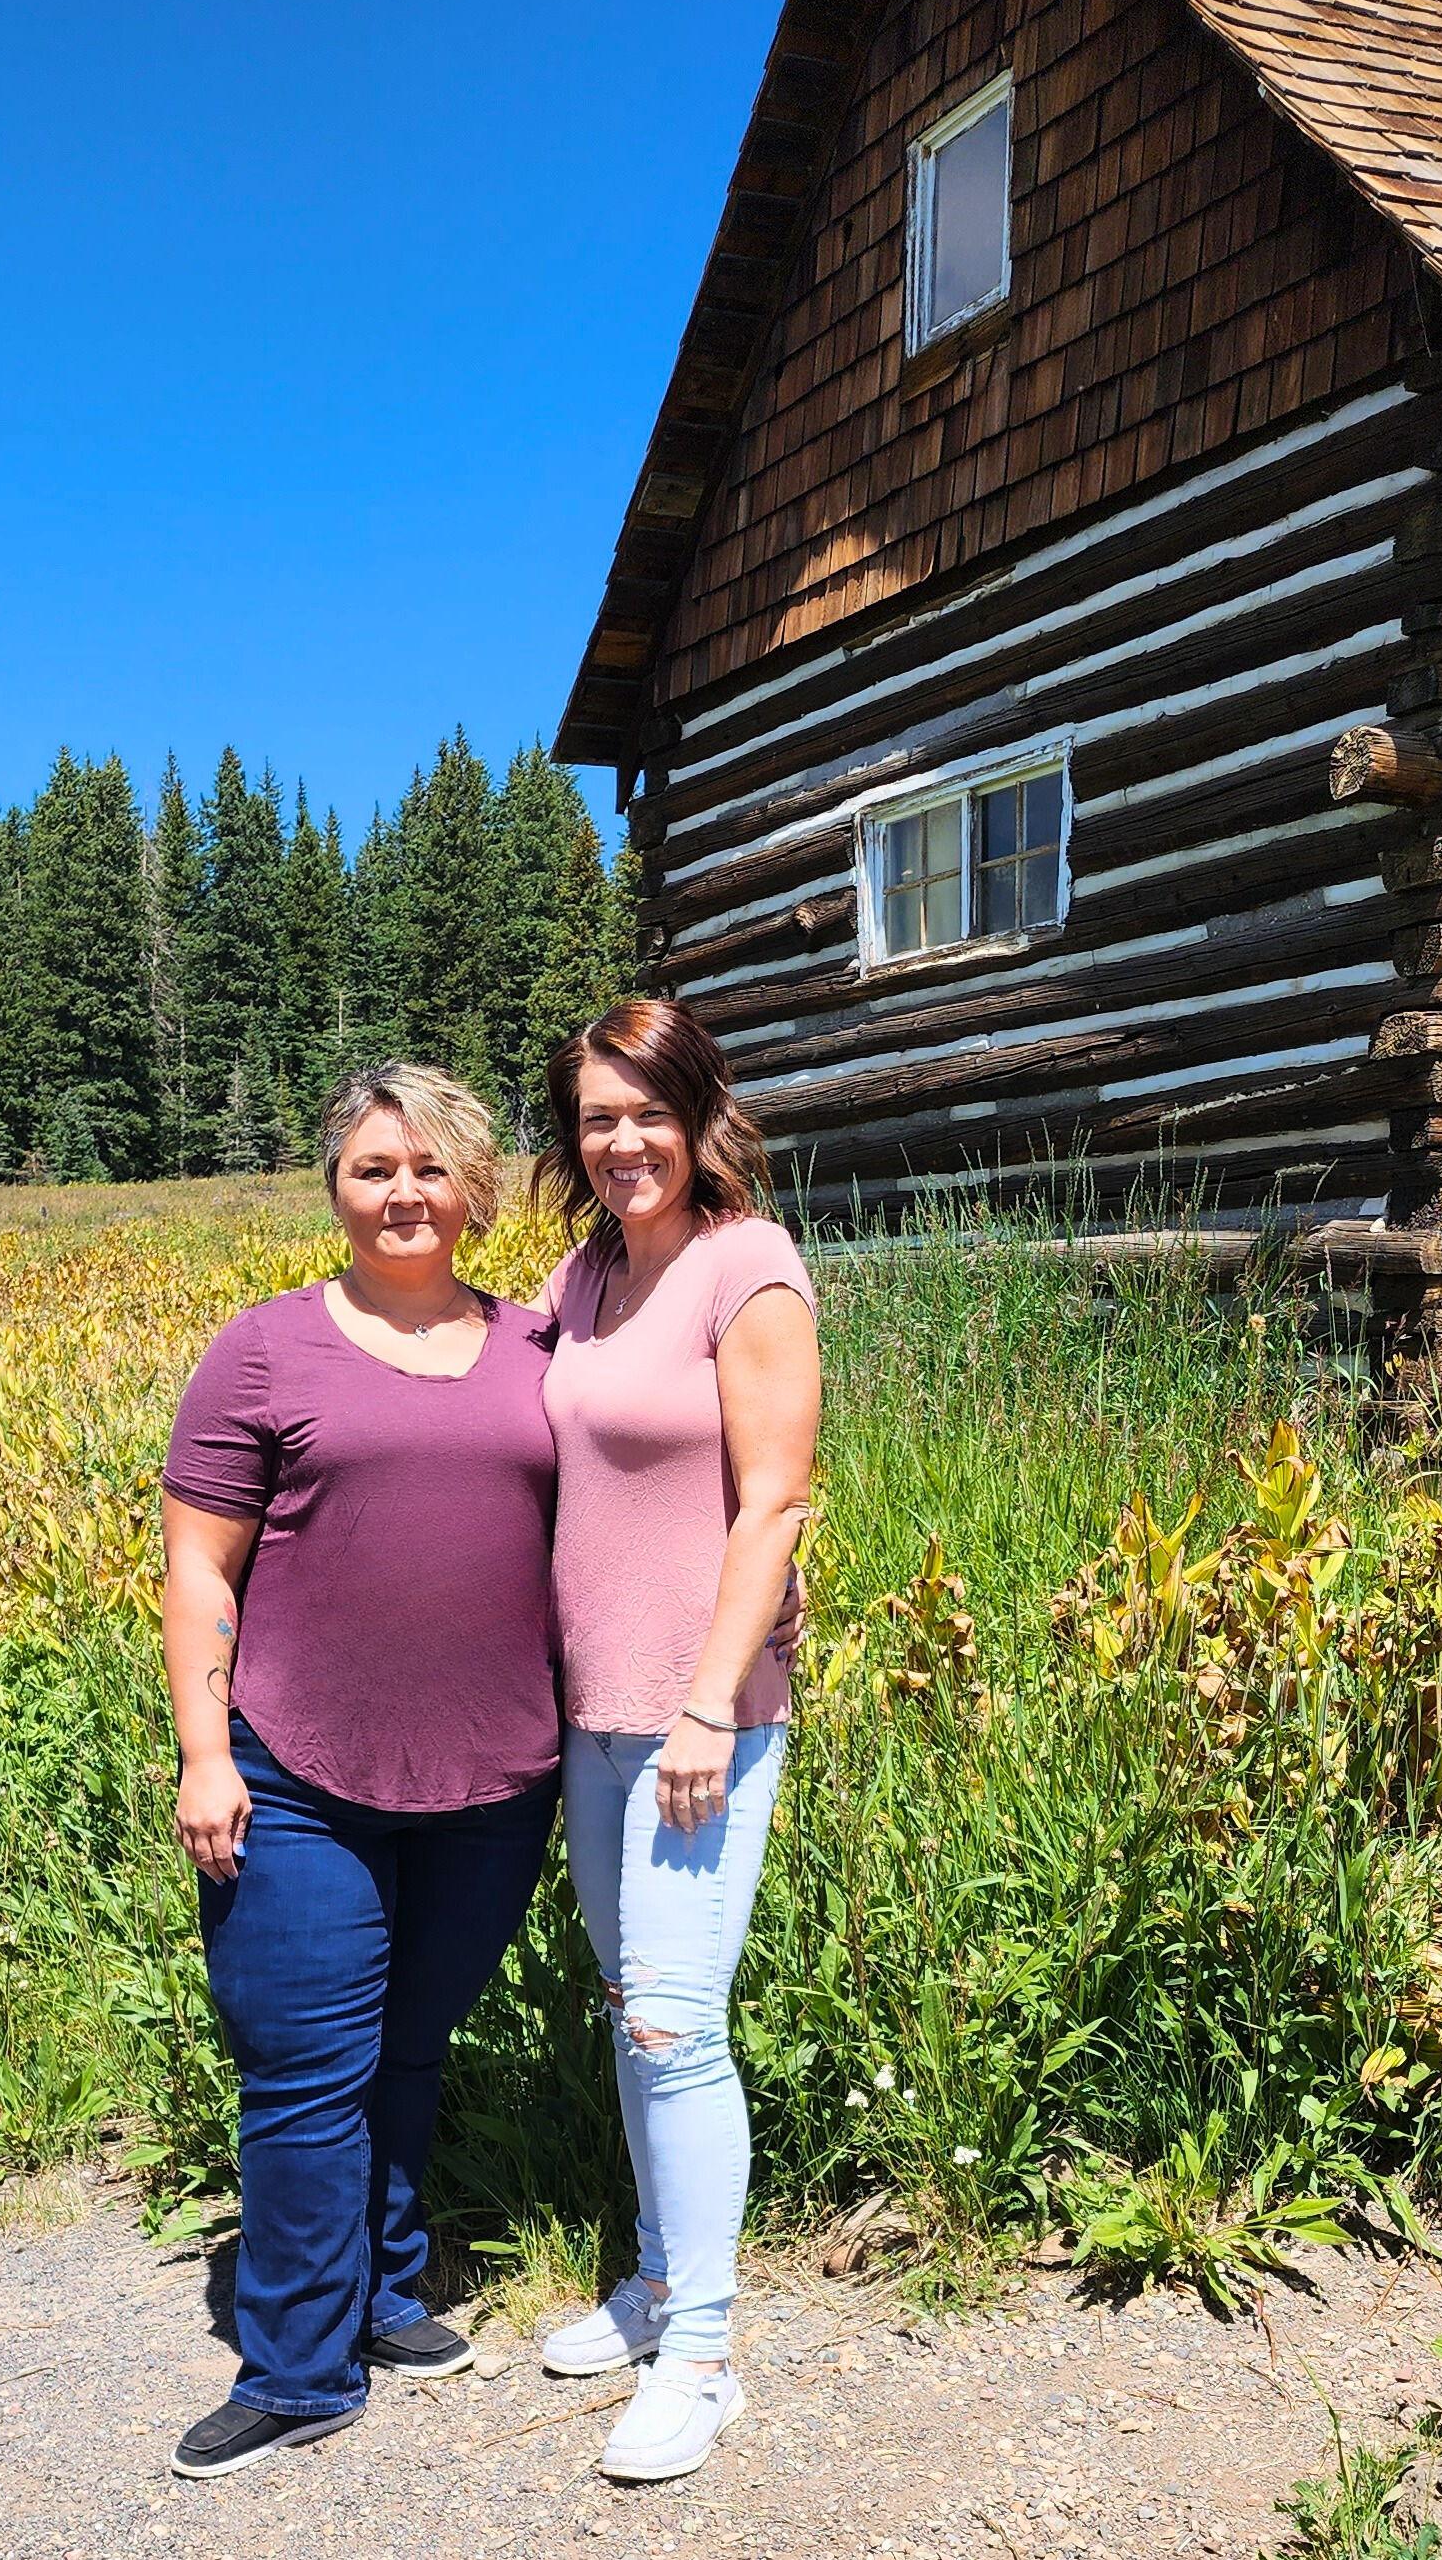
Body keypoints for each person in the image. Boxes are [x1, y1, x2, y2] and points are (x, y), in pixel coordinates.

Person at [155, 1062, 565, 2479]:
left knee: (409, 2041)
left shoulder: (540, 1346)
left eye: (429, 1167)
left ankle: (384, 2291)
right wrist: (206, 1754)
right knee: (304, 2067)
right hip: (295, 1768)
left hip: (496, 1773)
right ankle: (296, 2367)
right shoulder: (263, 1349)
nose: (403, 1193)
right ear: (334, 1188)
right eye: (372, 1168)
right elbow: (198, 1566)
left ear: (475, 1187)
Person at [528, 998, 822, 2484]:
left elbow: (775, 1501)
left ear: (701, 1117)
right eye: (598, 1117)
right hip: (589, 1711)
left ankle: (700, 2355)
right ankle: (653, 2278)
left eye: (649, 1111)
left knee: (671, 2021)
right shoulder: (582, 1276)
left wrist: (710, 1700)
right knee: (626, 2002)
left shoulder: (745, 1266)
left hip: (703, 1718)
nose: (623, 1141)